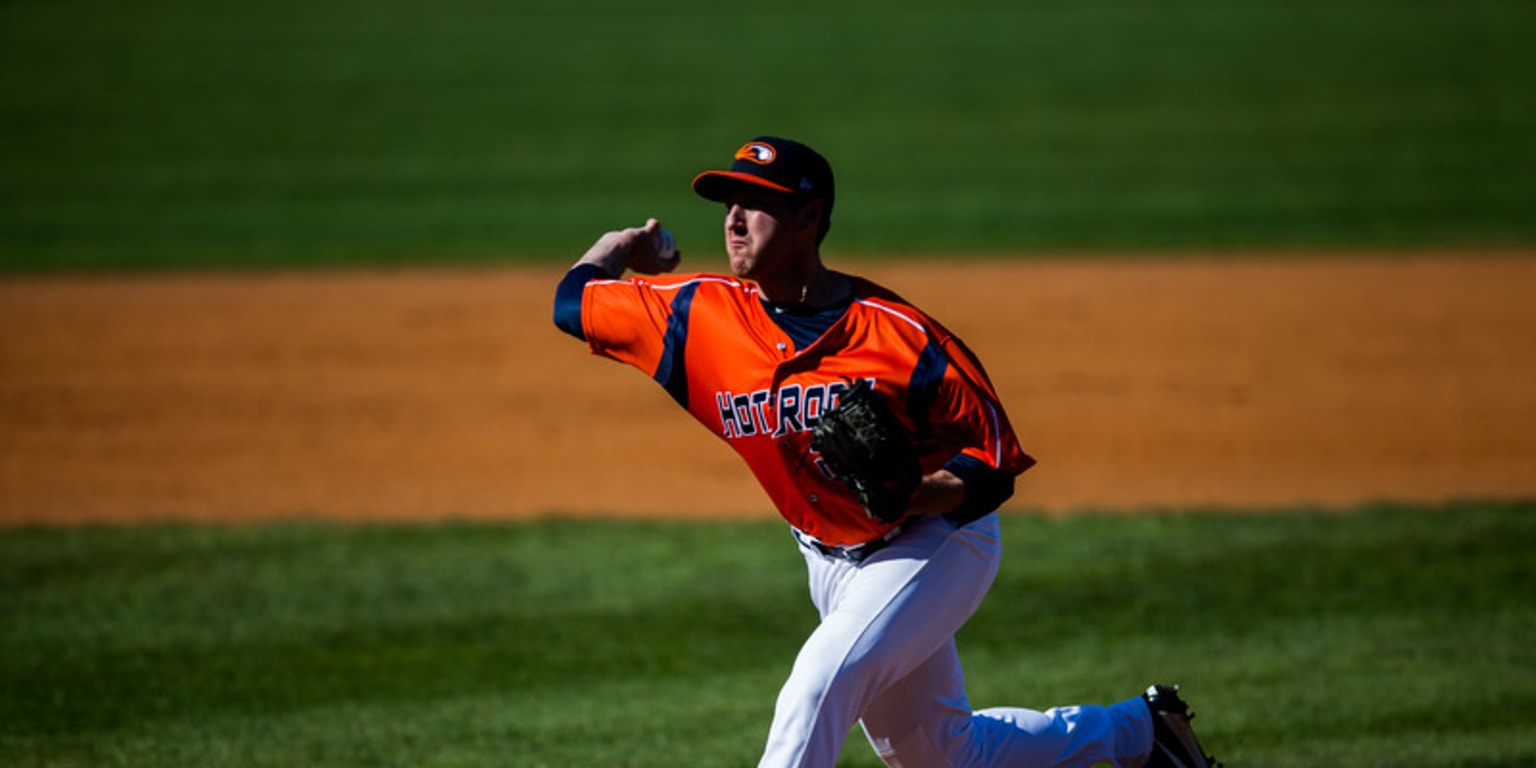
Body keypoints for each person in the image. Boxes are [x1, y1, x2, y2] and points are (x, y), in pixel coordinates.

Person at [552, 136, 1222, 768]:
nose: (734, 220)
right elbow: (571, 302)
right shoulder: (696, 315)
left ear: (810, 216)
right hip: (829, 559)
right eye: (729, 204)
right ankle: (1144, 732)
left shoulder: (899, 336)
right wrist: (620, 243)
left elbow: (993, 462)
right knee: (940, 755)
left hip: (935, 541)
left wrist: (917, 491)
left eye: (757, 204)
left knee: (815, 688)